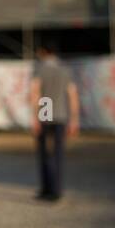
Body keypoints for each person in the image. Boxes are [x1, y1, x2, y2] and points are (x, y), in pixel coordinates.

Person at [30, 38, 79, 202]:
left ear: (43, 52)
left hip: (46, 109)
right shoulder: (65, 69)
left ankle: (47, 188)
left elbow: (35, 93)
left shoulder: (40, 68)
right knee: (57, 153)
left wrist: (35, 118)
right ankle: (57, 189)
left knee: (45, 152)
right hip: (61, 112)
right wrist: (74, 119)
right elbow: (72, 95)